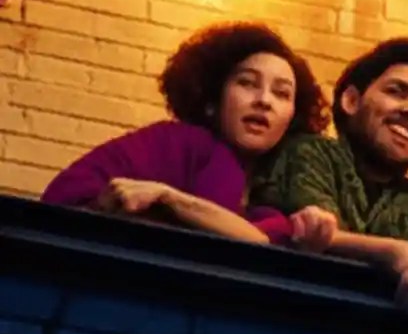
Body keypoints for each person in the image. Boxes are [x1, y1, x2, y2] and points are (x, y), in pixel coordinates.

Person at [42, 22, 336, 250]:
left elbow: (259, 240)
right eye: (247, 83)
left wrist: (166, 197)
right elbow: (236, 244)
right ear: (211, 100)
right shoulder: (196, 146)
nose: (264, 100)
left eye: (282, 93)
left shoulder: (265, 197)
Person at [252, 37, 408, 316]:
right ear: (351, 101)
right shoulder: (312, 152)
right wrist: (399, 253)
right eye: (397, 91)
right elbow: (319, 235)